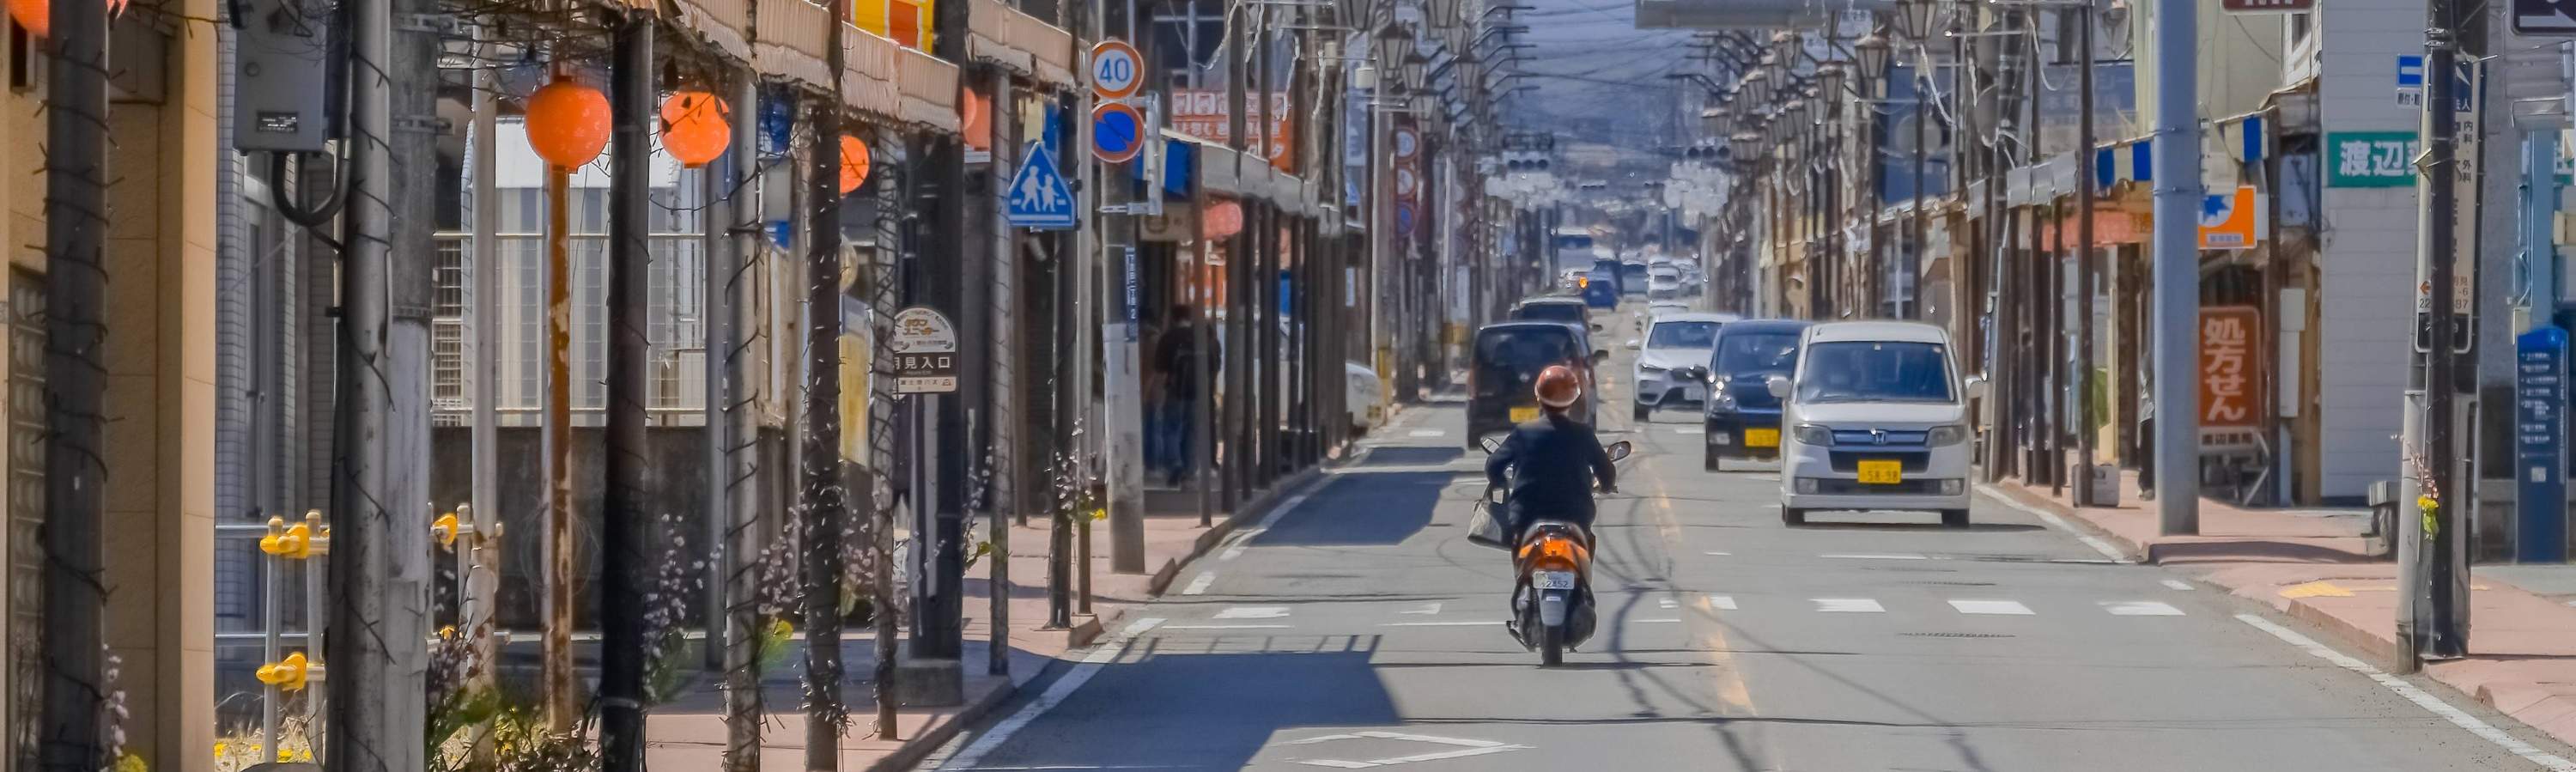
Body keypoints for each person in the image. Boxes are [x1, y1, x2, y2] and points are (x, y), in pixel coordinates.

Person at [1484, 365, 1618, 542]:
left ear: (1538, 396)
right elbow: (1606, 472)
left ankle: (1522, 568)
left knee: (1518, 544)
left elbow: (1494, 466)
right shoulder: (1583, 434)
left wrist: (1500, 481)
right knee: (1588, 541)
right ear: (1573, 398)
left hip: (1526, 516)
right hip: (1576, 517)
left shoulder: (1523, 433)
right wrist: (1607, 486)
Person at [1153, 304, 1218, 487]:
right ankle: (1189, 471)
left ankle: (1174, 464)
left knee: (1171, 428)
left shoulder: (1168, 338)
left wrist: (1156, 395)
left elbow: (1160, 370)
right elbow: (1214, 366)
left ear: (1173, 318)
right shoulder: (1202, 338)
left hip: (1175, 390)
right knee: (1192, 430)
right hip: (1198, 392)